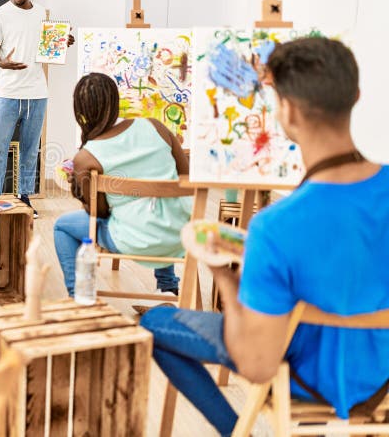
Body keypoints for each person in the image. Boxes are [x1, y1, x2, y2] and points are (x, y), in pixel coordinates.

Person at [140, 37, 389, 436]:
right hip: (382, 382)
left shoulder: (277, 227)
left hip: (311, 382)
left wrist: (223, 276)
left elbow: (257, 364)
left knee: (154, 322)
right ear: (355, 96)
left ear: (286, 111)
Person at [54, 73, 186, 299]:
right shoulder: (156, 127)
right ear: (115, 102)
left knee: (62, 226)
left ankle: (80, 296)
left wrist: (80, 190)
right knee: (160, 210)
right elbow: (186, 177)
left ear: (80, 112)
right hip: (179, 234)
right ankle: (167, 288)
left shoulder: (86, 157)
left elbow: (99, 212)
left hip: (132, 240)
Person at [0, 0, 73, 217]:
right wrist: (3, 63)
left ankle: (24, 198)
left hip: (37, 94)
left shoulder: (42, 13)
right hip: (8, 94)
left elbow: (47, 47)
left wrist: (62, 41)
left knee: (30, 151)